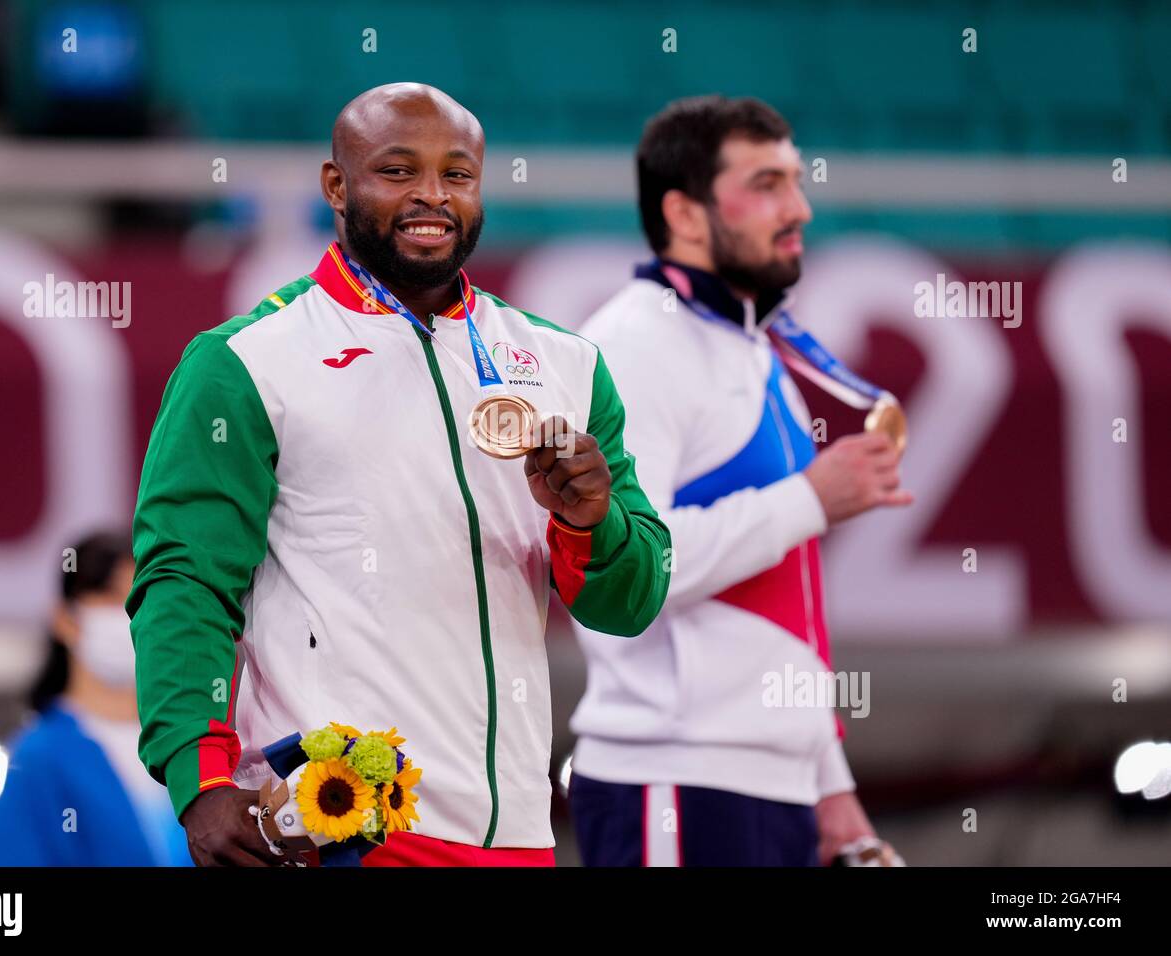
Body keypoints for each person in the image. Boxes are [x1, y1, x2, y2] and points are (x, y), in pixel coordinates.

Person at [127, 82, 671, 867]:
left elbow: (632, 603)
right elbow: (185, 582)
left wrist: (593, 523)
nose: (431, 196)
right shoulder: (245, 360)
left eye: (457, 174)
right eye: (397, 170)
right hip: (340, 825)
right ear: (336, 186)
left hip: (516, 836)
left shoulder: (565, 364)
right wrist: (201, 778)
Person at [568, 96, 913, 866]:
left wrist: (831, 786)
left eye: (795, 180)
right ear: (685, 215)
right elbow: (621, 571)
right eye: (767, 185)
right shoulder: (632, 344)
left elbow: (792, 607)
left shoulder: (749, 345)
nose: (800, 207)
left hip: (770, 785)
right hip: (673, 781)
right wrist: (811, 500)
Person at [0, 531, 191, 866]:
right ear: (65, 619)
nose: (127, 615)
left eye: (138, 600)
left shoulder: (189, 745)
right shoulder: (36, 759)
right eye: (108, 599)